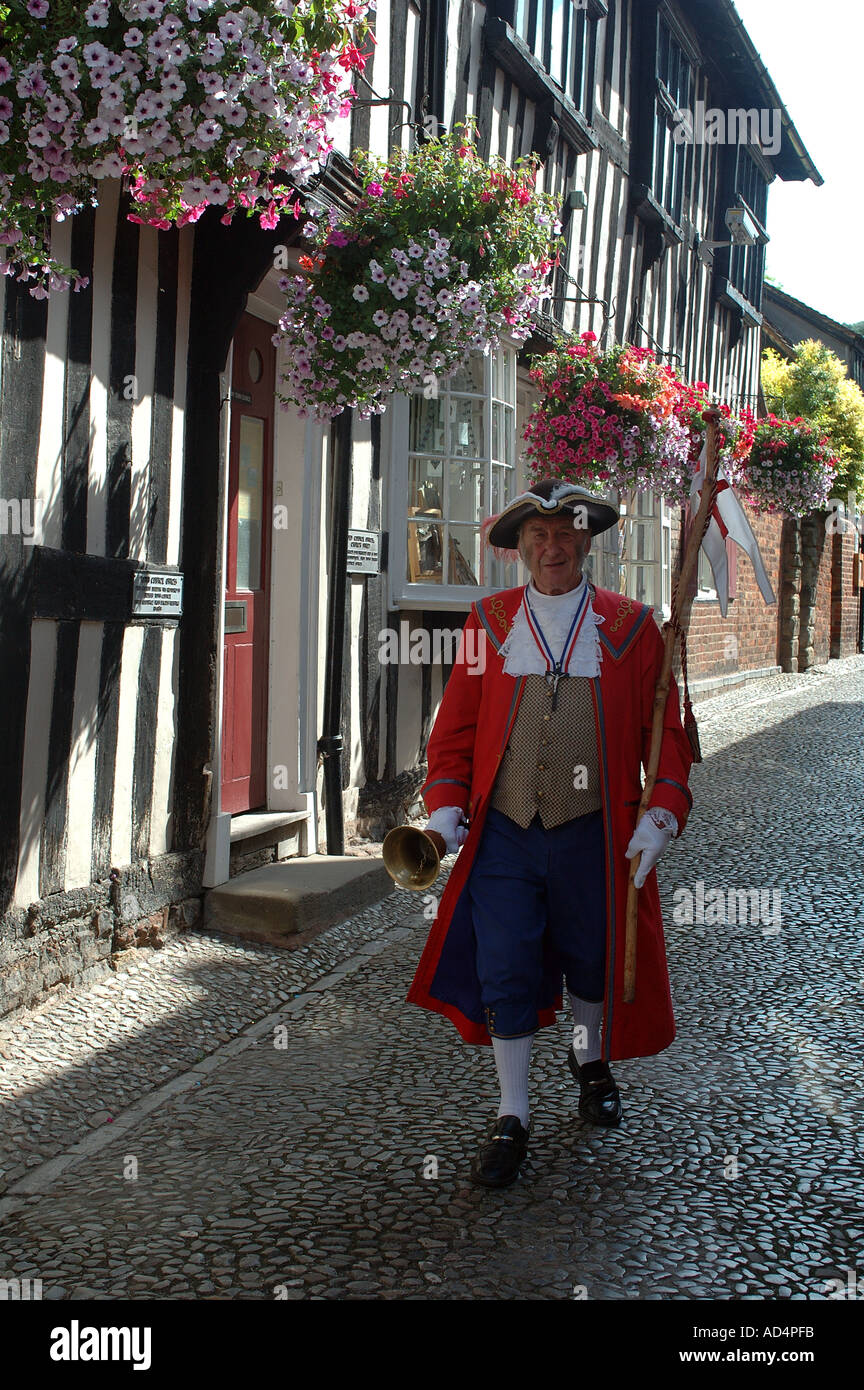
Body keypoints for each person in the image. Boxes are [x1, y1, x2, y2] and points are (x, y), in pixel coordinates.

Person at [406, 478, 694, 1188]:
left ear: (586, 541)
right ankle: (513, 1113)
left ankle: (590, 1060)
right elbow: (456, 733)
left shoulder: (633, 629)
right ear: (520, 549)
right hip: (505, 833)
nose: (552, 547)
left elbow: (670, 739)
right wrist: (446, 810)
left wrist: (660, 815)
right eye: (538, 537)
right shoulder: (488, 624)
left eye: (565, 534)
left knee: (591, 958)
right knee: (506, 966)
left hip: (594, 833)